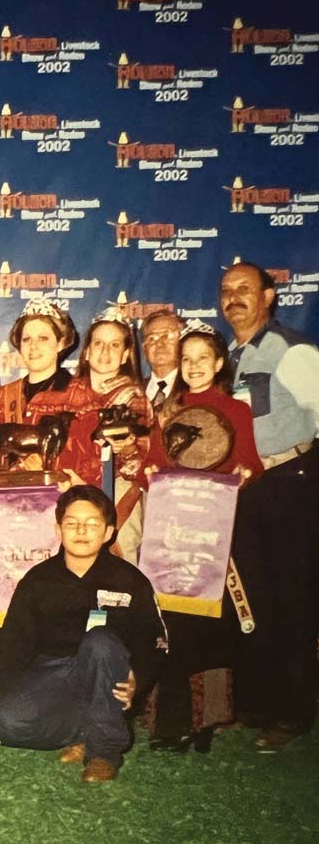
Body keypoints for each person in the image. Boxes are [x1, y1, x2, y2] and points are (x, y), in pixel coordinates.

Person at [0, 486, 167, 782]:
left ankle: (103, 753)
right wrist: (2, 701)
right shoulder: (38, 580)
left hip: (107, 670)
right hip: (55, 673)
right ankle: (83, 731)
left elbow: (156, 640)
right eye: (72, 523)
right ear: (58, 529)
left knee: (101, 641)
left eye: (92, 523)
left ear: (109, 532)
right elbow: (12, 646)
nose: (81, 530)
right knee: (6, 725)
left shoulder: (130, 580)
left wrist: (139, 676)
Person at [139, 322, 263, 752]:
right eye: (185, 358)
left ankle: (205, 722)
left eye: (202, 358)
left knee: (210, 623)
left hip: (214, 537)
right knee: (171, 622)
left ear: (218, 363)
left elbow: (251, 463)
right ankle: (168, 723)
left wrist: (243, 476)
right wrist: (151, 473)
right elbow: (151, 463)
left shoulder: (237, 411)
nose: (192, 366)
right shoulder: (168, 412)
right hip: (173, 533)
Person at [218, 260, 319, 752]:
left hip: (289, 480)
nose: (234, 297)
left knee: (293, 599)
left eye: (245, 289)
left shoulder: (291, 350)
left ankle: (294, 712)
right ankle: (256, 704)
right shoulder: (228, 356)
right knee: (250, 600)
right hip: (244, 489)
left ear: (269, 295)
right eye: (227, 290)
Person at [0, 299, 103, 487]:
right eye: (26, 339)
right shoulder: (3, 395)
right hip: (7, 501)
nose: (33, 346)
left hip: (61, 503)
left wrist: (53, 468)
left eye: (43, 338)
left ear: (61, 343)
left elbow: (92, 460)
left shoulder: (80, 395)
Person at [74, 310, 152, 560]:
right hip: (74, 488)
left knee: (120, 566)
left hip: (117, 491)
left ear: (126, 354)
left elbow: (142, 454)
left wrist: (127, 450)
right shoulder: (68, 395)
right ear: (86, 351)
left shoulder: (134, 397)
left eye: (114, 344)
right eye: (98, 343)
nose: (105, 351)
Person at [140, 311, 182, 414]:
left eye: (167, 337)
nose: (160, 344)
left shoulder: (191, 390)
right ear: (144, 350)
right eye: (152, 338)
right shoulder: (134, 392)